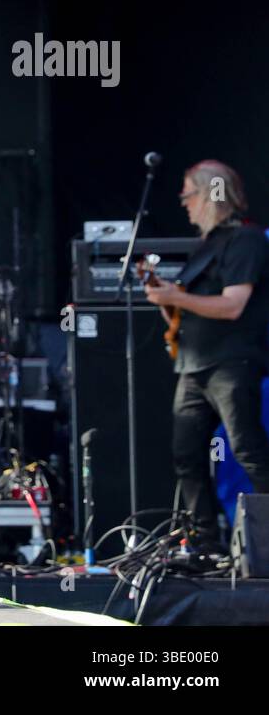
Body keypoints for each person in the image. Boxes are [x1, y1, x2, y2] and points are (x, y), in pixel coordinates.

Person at [144, 160, 269, 551]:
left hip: (231, 362)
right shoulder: (206, 245)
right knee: (187, 454)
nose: (184, 204)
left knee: (248, 449)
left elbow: (233, 305)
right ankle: (205, 543)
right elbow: (189, 310)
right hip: (194, 366)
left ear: (211, 194)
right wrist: (167, 299)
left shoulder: (246, 240)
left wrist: (176, 296)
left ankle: (265, 542)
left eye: (188, 195)